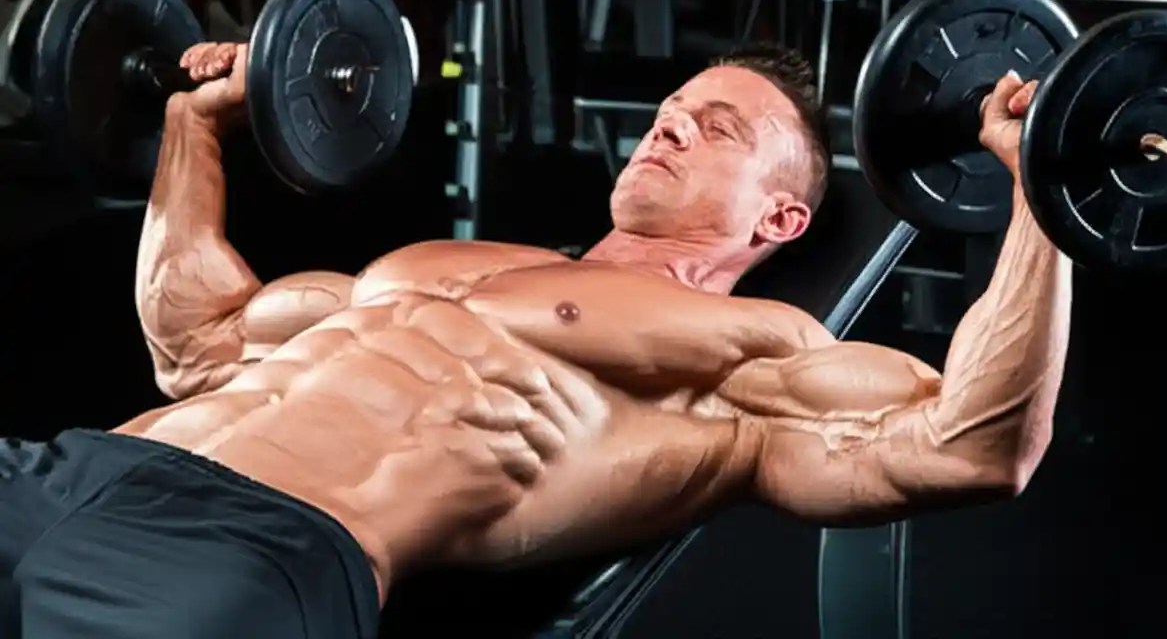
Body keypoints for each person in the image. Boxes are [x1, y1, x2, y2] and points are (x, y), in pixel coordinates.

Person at [0, 42, 1070, 639]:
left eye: (717, 128)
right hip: (74, 467)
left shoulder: (744, 357)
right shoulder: (446, 266)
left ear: (777, 219)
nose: (668, 125)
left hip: (246, 558)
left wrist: (1042, 185)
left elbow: (969, 443)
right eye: (669, 109)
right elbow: (199, 342)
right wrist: (191, 128)